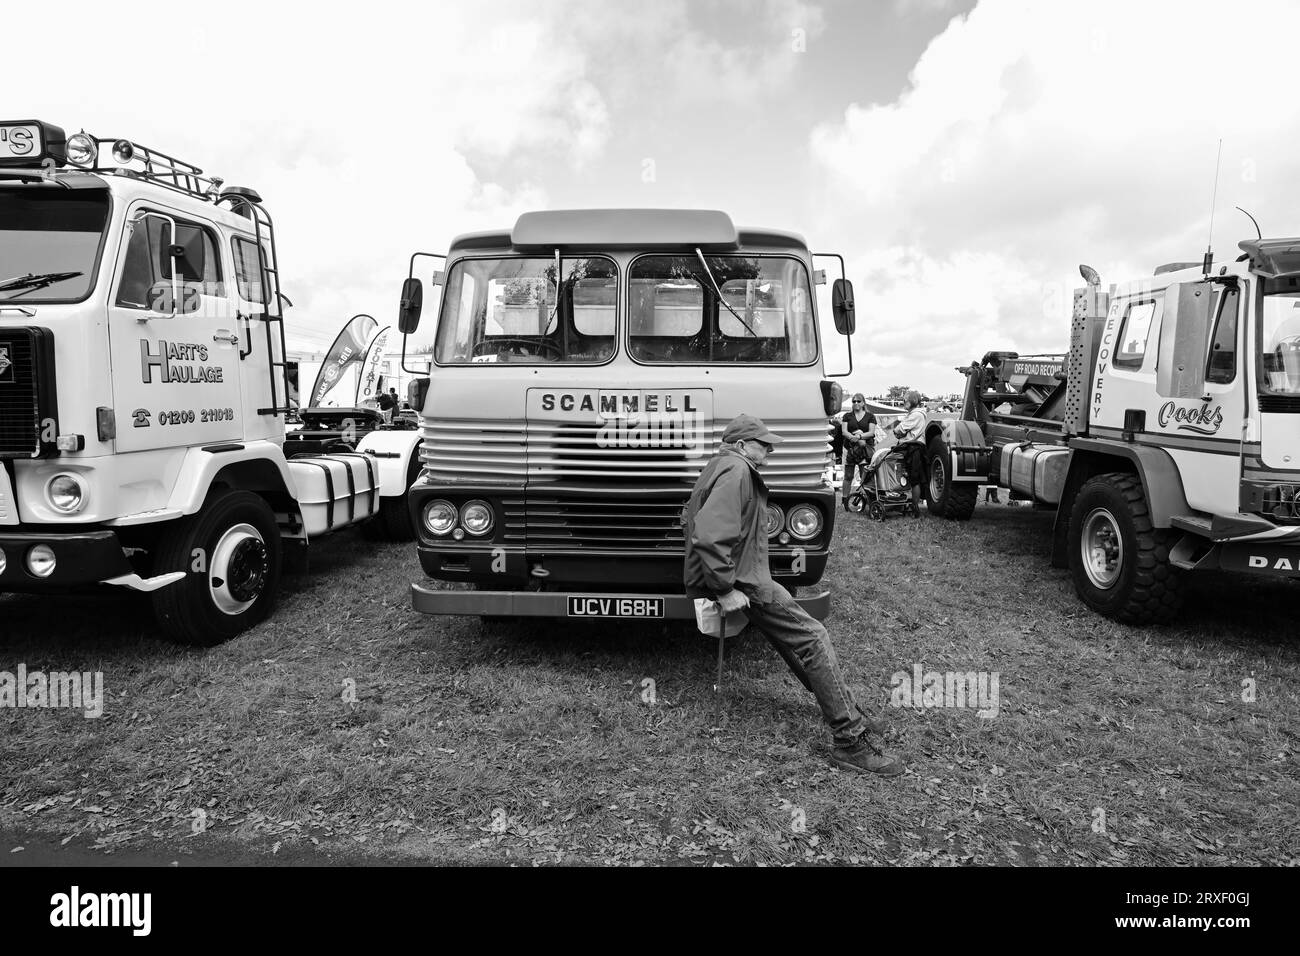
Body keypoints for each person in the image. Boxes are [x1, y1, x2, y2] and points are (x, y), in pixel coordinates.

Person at [682, 413, 903, 776]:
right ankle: (849, 740)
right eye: (763, 444)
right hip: (747, 581)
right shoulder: (736, 471)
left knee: (795, 644)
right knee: (813, 638)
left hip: (748, 575)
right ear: (741, 445)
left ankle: (850, 713)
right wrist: (723, 590)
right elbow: (707, 535)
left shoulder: (721, 465)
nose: (768, 451)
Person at [839, 394, 877, 511]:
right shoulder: (847, 416)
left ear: (863, 403)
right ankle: (845, 501)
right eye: (854, 401)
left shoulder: (870, 416)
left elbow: (871, 432)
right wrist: (853, 438)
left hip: (865, 450)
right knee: (848, 476)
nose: (856, 403)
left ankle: (868, 501)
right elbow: (844, 431)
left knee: (864, 476)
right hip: (850, 449)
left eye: (858, 401)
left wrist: (859, 436)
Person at [892, 390, 927, 516]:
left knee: (914, 478)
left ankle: (914, 506)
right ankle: (908, 503)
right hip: (910, 447)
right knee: (909, 476)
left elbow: (899, 429)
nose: (903, 402)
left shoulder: (916, 415)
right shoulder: (913, 414)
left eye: (905, 400)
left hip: (914, 448)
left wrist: (897, 431)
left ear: (912, 401)